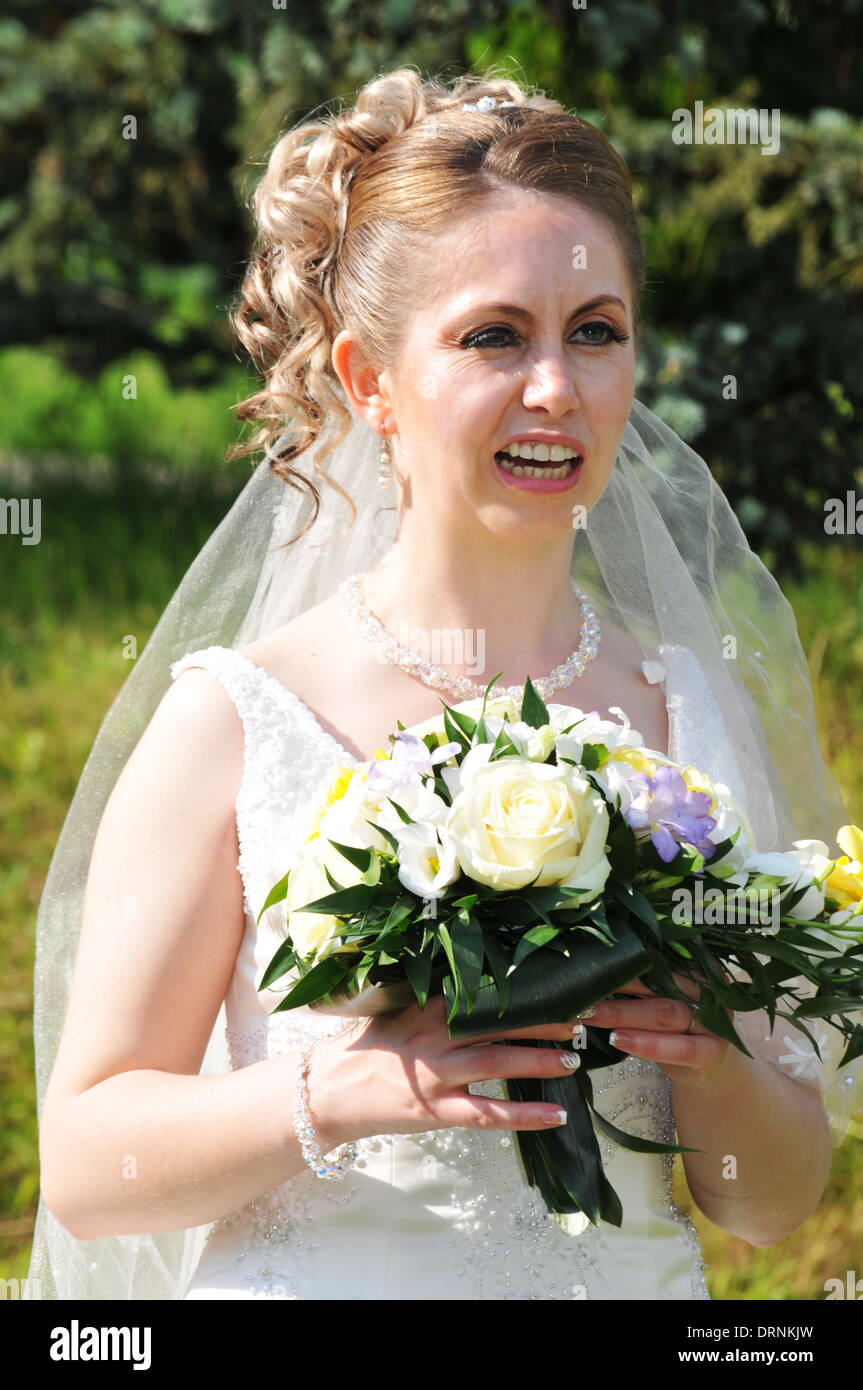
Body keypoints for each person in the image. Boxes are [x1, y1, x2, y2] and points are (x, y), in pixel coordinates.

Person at [29, 67, 862, 1302]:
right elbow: (91, 1166)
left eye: (595, 330)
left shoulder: (685, 704)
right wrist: (345, 1089)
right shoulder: (241, 718)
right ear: (368, 382)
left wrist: (710, 1059)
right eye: (492, 335)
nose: (555, 389)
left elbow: (765, 1202)